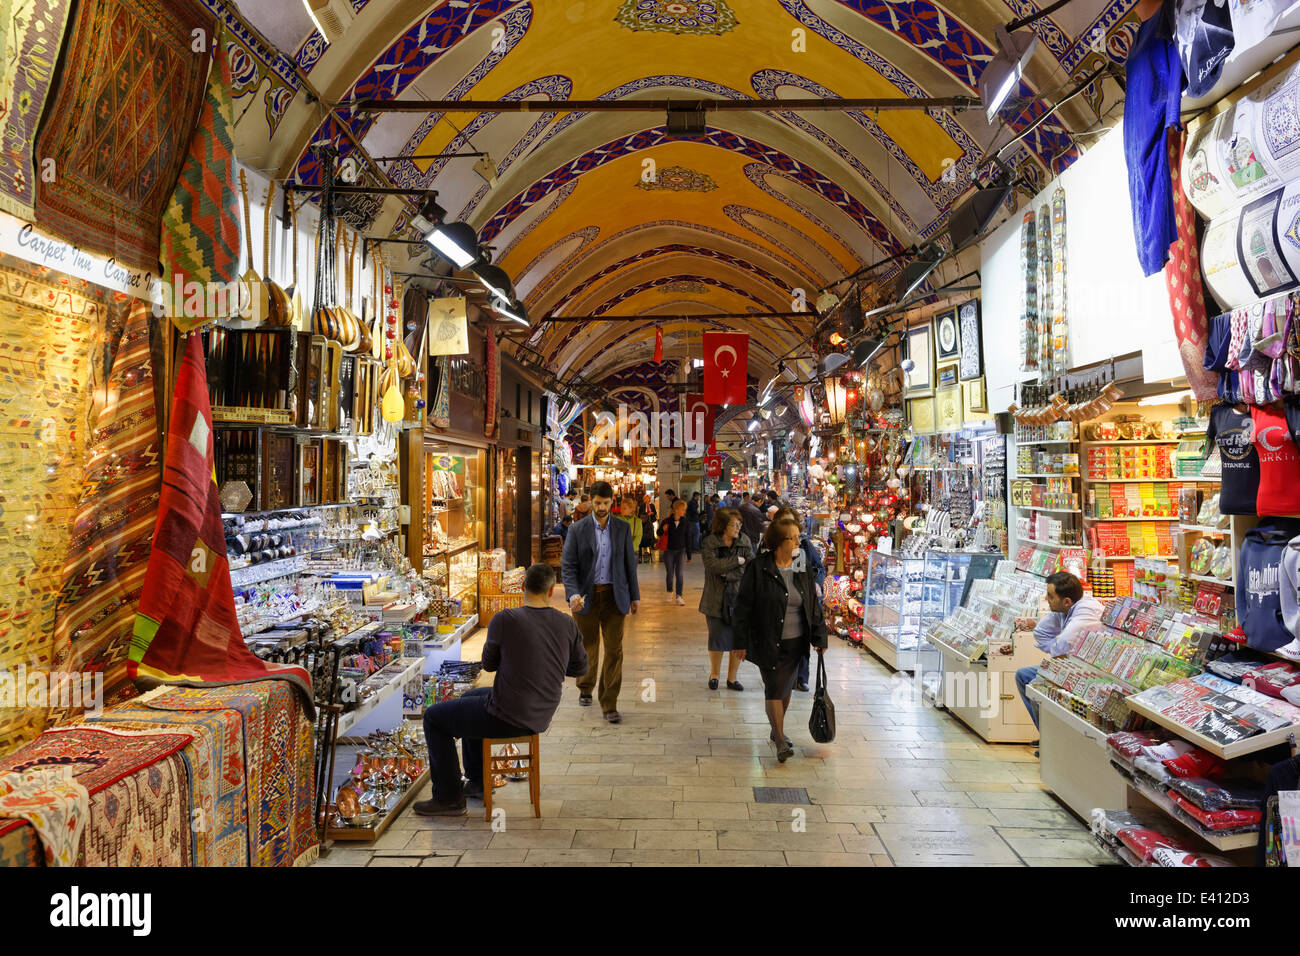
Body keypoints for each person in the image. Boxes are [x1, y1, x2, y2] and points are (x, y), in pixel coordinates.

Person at [416, 564, 588, 815]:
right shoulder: (566, 623)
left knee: (433, 718)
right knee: (470, 697)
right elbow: (579, 668)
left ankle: (448, 797)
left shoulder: (505, 619)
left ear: (521, 587)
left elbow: (488, 664)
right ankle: (476, 780)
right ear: (551, 591)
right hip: (540, 713)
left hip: (507, 714)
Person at [732, 517, 828, 763]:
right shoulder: (759, 567)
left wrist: (820, 636)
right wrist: (739, 642)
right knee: (774, 688)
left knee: (785, 690)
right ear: (778, 542)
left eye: (799, 536)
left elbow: (811, 605)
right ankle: (780, 739)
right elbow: (742, 607)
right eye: (793, 537)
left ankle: (777, 731)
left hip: (796, 642)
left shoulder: (800, 565)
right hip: (768, 640)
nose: (799, 541)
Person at [561, 480, 641, 723]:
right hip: (586, 597)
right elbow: (568, 566)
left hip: (615, 597)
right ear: (591, 502)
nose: (602, 507)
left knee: (615, 650)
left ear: (611, 502)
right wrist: (573, 594)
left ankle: (609, 704)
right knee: (589, 645)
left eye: (606, 503)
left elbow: (630, 563)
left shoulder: (622, 529)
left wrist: (634, 595)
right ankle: (586, 687)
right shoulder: (578, 529)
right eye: (597, 503)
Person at [1015, 571, 1104, 751]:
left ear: (1067, 601)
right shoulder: (1064, 609)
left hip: (1087, 672)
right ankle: (1046, 735)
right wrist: (1054, 645)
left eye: (1051, 596)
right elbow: (1041, 633)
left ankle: (1052, 744)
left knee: (1035, 684)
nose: (1046, 599)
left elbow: (1062, 646)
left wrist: (1055, 646)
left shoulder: (1085, 613)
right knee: (1023, 675)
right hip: (1068, 665)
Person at [769, 506, 825, 692]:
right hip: (777, 601)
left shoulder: (804, 545)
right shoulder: (769, 548)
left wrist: (817, 583)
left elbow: (818, 567)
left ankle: (801, 677)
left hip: (802, 600)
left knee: (801, 636)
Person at [699, 507, 752, 691]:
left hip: (738, 597)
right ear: (722, 525)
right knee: (717, 637)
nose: (738, 528)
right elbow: (712, 565)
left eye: (739, 524)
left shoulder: (744, 541)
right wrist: (736, 561)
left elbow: (749, 567)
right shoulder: (710, 542)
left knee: (737, 639)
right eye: (733, 524)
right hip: (715, 597)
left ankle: (732, 678)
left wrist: (727, 573)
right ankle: (715, 675)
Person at [658, 496, 694, 604]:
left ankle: (679, 596)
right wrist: (662, 529)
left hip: (681, 551)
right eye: (683, 509)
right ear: (676, 510)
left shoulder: (686, 522)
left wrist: (689, 554)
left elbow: (688, 538)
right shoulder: (666, 521)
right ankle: (669, 591)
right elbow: (658, 534)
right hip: (668, 550)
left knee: (679, 574)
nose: (684, 511)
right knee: (669, 573)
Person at [637, 494, 658, 562]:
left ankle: (653, 544)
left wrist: (652, 513)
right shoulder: (642, 506)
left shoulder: (652, 505)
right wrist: (645, 515)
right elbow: (639, 514)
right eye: (646, 498)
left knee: (653, 532)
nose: (647, 500)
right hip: (644, 520)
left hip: (651, 520)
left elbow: (655, 512)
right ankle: (641, 555)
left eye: (648, 498)